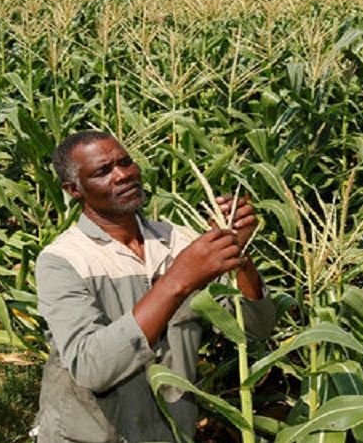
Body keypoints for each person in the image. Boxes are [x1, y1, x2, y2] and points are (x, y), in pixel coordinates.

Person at [34, 130, 276, 442]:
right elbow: (92, 368)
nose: (122, 175)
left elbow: (254, 329)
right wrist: (178, 280)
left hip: (171, 431)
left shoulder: (181, 241)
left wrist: (239, 254)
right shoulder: (63, 260)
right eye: (103, 171)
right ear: (73, 190)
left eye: (125, 162)